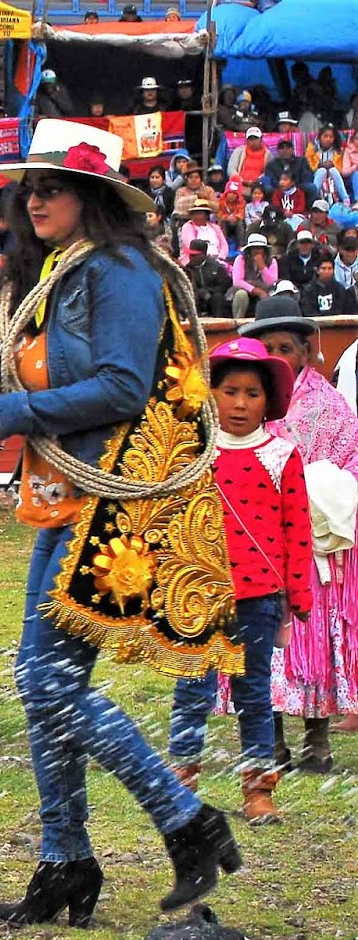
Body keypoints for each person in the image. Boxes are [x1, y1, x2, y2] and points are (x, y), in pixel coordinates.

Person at [0, 121, 243, 925]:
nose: (36, 198)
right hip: (68, 497)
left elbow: (121, 386)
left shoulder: (121, 271)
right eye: (31, 188)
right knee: (47, 683)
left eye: (53, 186)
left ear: (91, 196)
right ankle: (66, 860)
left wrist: (9, 413)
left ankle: (184, 820)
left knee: (45, 681)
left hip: (118, 498)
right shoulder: (47, 272)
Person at [168, 339, 309, 827]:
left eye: (252, 393)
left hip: (259, 599)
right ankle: (181, 787)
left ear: (268, 400)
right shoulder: (191, 453)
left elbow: (296, 528)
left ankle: (258, 790)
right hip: (198, 596)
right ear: (210, 394)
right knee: (192, 693)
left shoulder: (282, 456)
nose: (241, 403)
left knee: (254, 696)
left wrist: (300, 595)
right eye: (230, 391)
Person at [236, 293, 358, 774]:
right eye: (267, 349)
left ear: (306, 351)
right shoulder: (247, 402)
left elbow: (350, 468)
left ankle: (317, 739)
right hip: (257, 539)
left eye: (285, 348)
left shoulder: (331, 408)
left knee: (313, 636)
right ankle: (271, 740)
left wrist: (313, 493)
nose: (276, 358)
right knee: (262, 637)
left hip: (314, 544)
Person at [183, 239, 233, 318]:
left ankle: (218, 321)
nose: (190, 257)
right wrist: (200, 293)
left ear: (203, 254)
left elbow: (225, 284)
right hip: (197, 299)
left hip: (213, 298)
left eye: (194, 255)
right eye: (190, 254)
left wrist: (209, 292)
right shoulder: (187, 269)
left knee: (218, 298)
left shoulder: (216, 267)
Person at [298, 250, 358, 316]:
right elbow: (308, 310)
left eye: (329, 268)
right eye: (323, 268)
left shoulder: (340, 289)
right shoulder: (309, 290)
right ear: (317, 270)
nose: (327, 271)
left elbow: (344, 309)